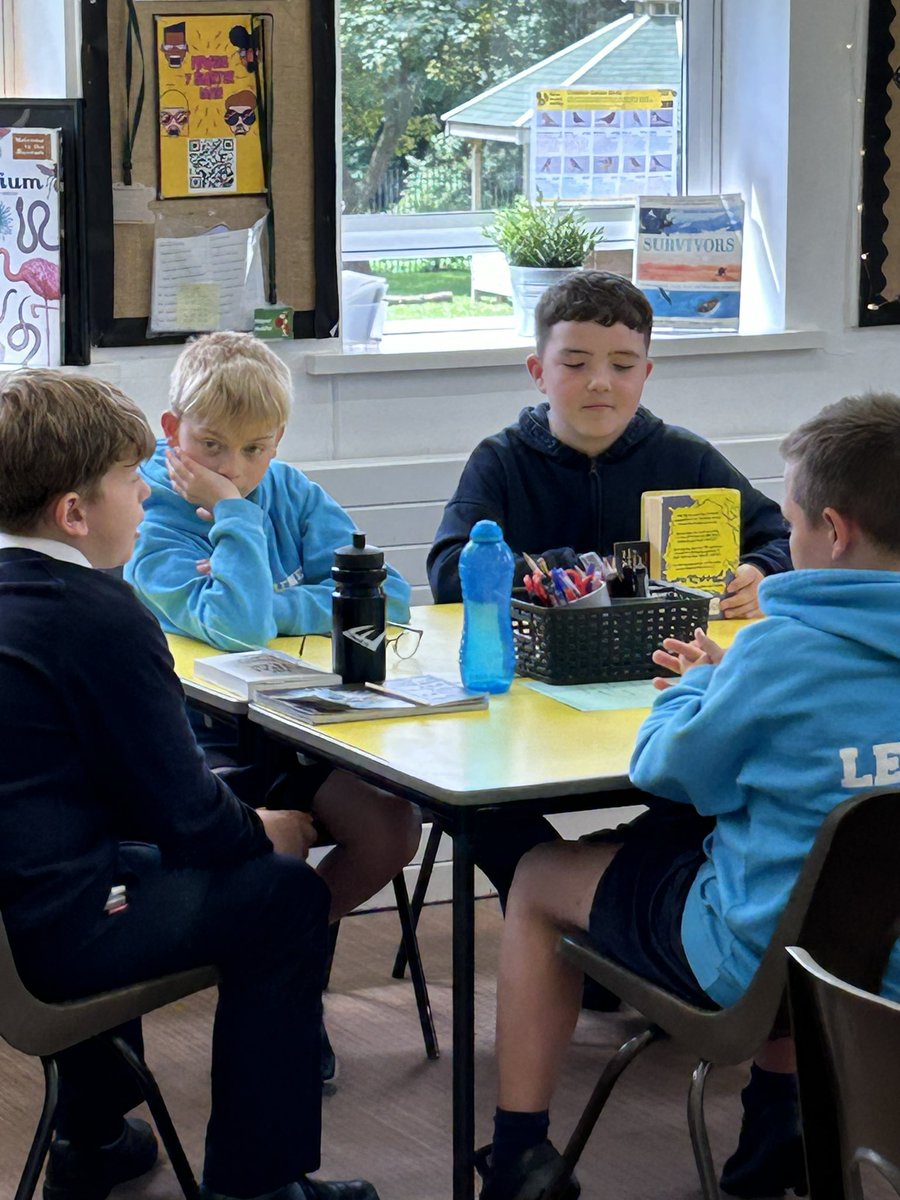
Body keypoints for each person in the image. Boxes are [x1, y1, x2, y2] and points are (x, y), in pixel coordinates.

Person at [475, 391, 900, 1200]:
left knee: (537, 874)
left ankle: (519, 1156)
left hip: (752, 969)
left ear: (834, 531)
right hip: (882, 977)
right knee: (793, 855)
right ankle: (779, 1120)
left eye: (793, 519)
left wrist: (689, 688)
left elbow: (667, 772)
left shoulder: (778, 655)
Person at [0, 370, 378, 1200]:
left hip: (22, 905)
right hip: (57, 932)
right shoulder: (97, 614)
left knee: (125, 859)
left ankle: (92, 1137)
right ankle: (260, 1185)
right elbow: (184, 811)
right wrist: (263, 832)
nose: (144, 496)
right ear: (74, 513)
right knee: (281, 899)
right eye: (131, 483)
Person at [426, 270, 792, 905]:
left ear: (647, 373)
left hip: (659, 698)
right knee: (470, 802)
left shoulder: (685, 456)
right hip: (527, 707)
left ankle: (613, 913)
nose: (601, 381)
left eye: (623, 364)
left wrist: (762, 572)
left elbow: (782, 534)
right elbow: (448, 568)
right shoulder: (503, 458)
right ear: (538, 371)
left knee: (713, 790)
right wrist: (572, 572)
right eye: (576, 363)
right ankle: (572, 919)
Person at [124, 331, 421, 934]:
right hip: (203, 746)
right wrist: (233, 512)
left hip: (300, 731)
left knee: (391, 826)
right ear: (172, 426)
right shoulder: (145, 508)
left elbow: (389, 598)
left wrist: (273, 598)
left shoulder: (290, 489)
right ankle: (265, 950)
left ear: (278, 439)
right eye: (210, 445)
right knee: (269, 844)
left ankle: (291, 937)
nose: (232, 467)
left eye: (255, 448)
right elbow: (238, 629)